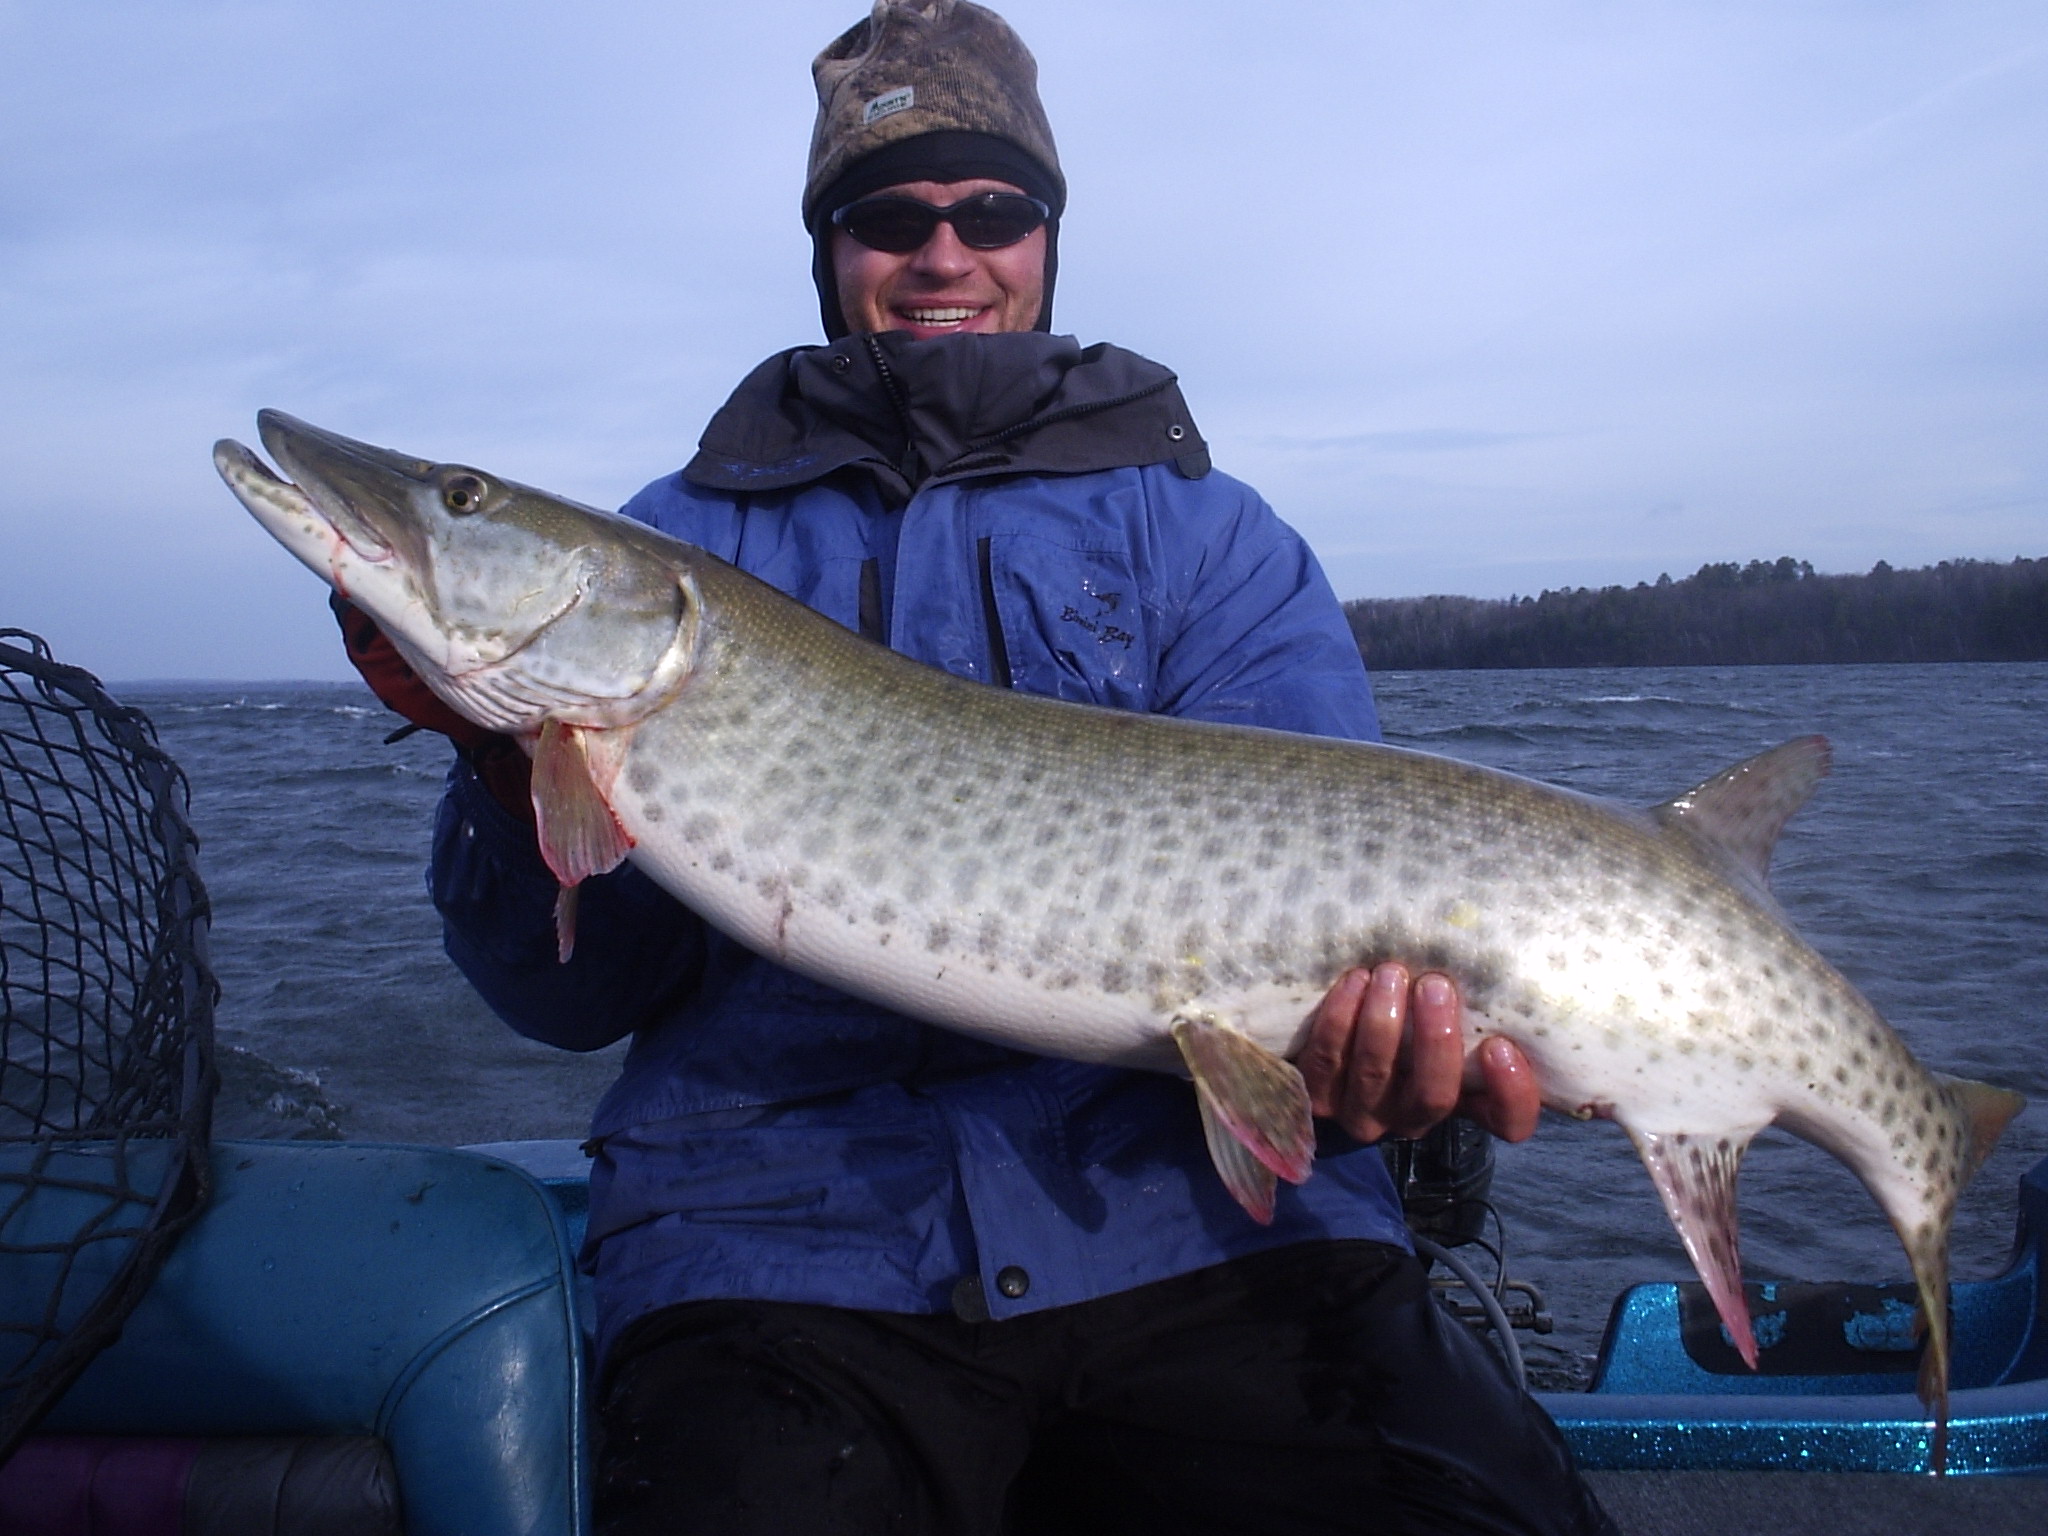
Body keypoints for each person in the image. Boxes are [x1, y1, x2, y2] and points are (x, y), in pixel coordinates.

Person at [341, 4, 1616, 1532]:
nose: (943, 253)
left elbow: (1321, 906)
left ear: (1046, 236)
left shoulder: (1207, 538)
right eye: (889, 218)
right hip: (782, 1242)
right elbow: (569, 1001)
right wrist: (507, 778)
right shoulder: (678, 550)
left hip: (1216, 1231)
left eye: (991, 211)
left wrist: (1369, 1072)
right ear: (830, 250)